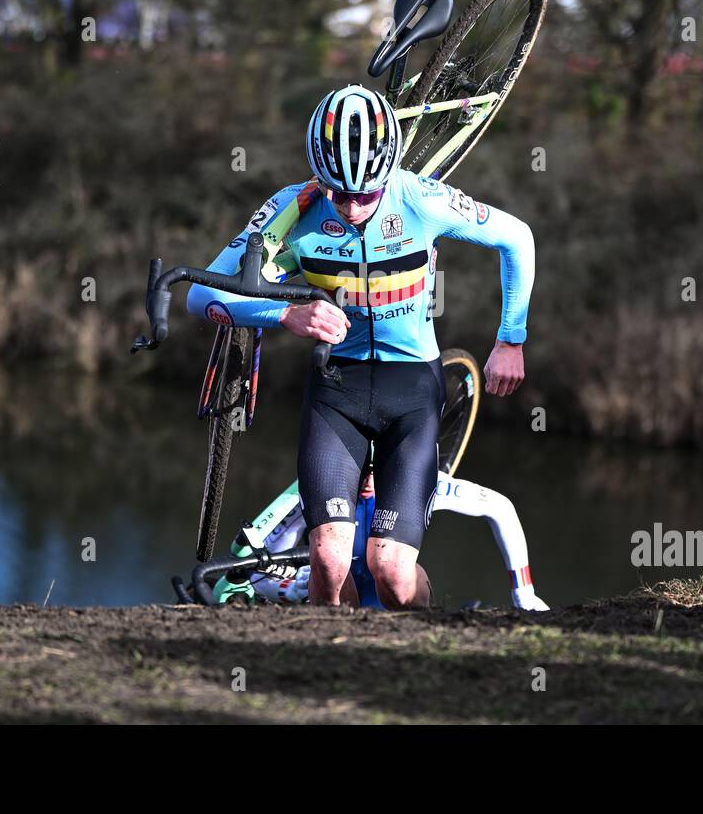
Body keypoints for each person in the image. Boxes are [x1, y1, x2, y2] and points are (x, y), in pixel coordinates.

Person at [188, 84, 535, 609]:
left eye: (366, 194)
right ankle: (334, 673)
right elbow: (201, 294)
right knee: (327, 563)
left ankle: (429, 645)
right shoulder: (291, 209)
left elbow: (518, 238)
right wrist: (285, 313)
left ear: (389, 172)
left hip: (412, 392)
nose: (351, 207)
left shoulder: (420, 198)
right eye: (338, 193)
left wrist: (511, 338)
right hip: (337, 393)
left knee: (391, 571)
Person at [213, 463, 549, 611]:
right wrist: (293, 584)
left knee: (405, 573)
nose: (368, 478)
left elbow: (501, 508)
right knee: (326, 567)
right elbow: (250, 568)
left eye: (378, 468)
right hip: (337, 599)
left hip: (398, 593)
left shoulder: (422, 480)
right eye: (360, 467)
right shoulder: (318, 482)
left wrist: (525, 594)